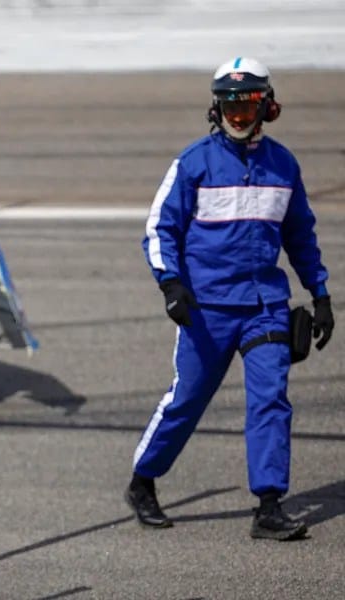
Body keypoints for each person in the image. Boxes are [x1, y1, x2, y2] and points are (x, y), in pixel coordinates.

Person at [126, 57, 334, 541]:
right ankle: (143, 481)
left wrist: (320, 294)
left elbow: (300, 236)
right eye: (229, 105)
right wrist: (171, 284)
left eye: (247, 105)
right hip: (206, 308)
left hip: (265, 306)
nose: (237, 115)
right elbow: (159, 229)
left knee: (270, 399)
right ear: (215, 108)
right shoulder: (193, 162)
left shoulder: (284, 165)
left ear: (267, 106)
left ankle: (269, 506)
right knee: (187, 399)